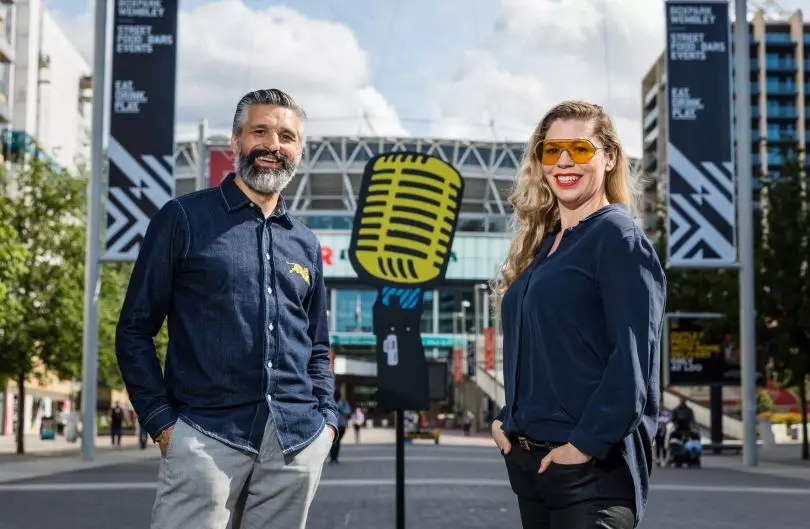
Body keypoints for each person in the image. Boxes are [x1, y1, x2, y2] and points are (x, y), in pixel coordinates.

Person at [115, 88, 338, 529]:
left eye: (287, 137)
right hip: (203, 435)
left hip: (295, 440)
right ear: (235, 142)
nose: (274, 145)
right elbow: (135, 329)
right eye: (261, 131)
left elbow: (316, 346)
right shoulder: (181, 219)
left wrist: (326, 423)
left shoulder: (306, 243)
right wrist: (162, 424)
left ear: (300, 150)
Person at [489, 100, 667, 529]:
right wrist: (506, 421)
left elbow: (632, 365)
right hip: (531, 469)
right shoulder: (545, 245)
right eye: (552, 151)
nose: (564, 161)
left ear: (608, 158)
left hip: (590, 474)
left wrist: (583, 446)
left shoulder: (618, 239)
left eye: (580, 149)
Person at [329, 389, 352, 464]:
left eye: (337, 395)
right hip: (332, 425)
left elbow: (348, 413)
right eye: (335, 395)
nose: (336, 397)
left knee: (337, 442)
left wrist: (341, 411)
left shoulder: (344, 403)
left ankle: (335, 457)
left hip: (341, 425)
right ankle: (332, 458)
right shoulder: (330, 403)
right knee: (332, 442)